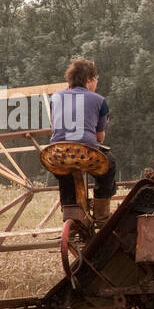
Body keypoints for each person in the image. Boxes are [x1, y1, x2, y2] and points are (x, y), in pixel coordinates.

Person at [49, 58, 117, 227]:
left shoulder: (55, 97)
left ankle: (70, 215)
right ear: (88, 79)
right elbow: (99, 138)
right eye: (96, 79)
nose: (96, 83)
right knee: (109, 166)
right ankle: (101, 216)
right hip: (86, 153)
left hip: (57, 154)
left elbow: (55, 127)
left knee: (65, 178)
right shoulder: (99, 101)